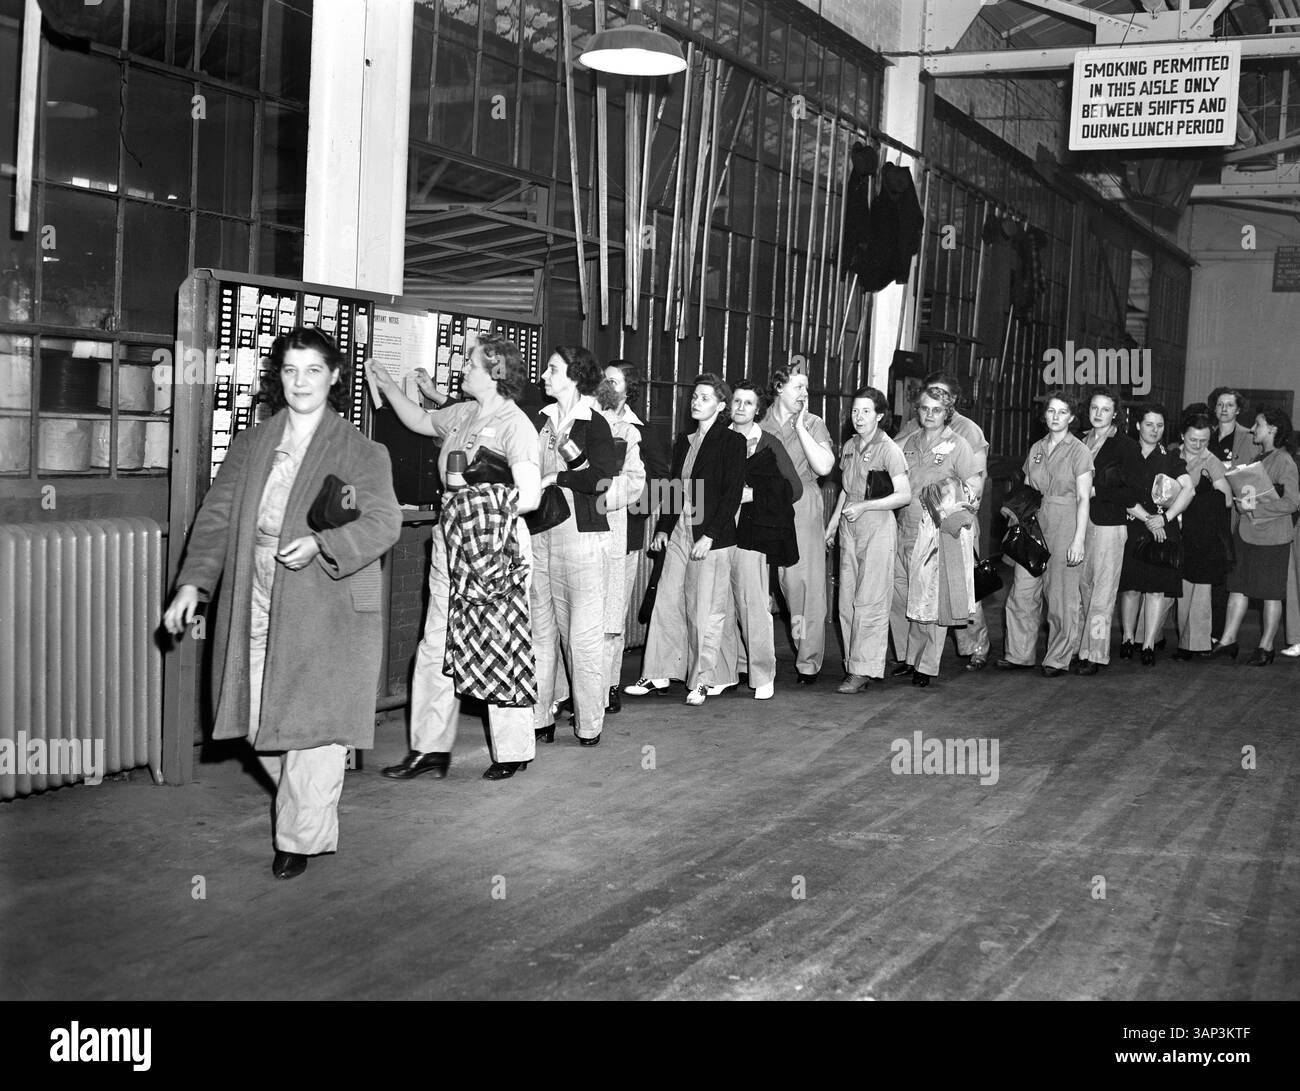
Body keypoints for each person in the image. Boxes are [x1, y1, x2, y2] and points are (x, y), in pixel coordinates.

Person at [163, 328, 402, 880]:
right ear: (280, 375)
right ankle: (305, 804)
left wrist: (325, 543)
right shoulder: (253, 444)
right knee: (255, 719)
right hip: (256, 592)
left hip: (326, 601)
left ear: (334, 377)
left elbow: (385, 520)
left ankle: (299, 835)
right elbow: (217, 518)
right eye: (291, 370)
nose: (301, 382)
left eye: (313, 370)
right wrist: (192, 585)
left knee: (312, 724)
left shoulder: (361, 450)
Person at [371, 335, 542, 782]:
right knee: (435, 644)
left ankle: (512, 750)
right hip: (451, 543)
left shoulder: (515, 425)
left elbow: (530, 496)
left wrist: (474, 497)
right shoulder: (462, 413)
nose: (462, 367)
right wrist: (388, 384)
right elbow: (419, 421)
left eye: (470, 362)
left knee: (498, 644)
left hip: (493, 546)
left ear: (496, 371)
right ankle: (430, 748)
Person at [625, 373, 745, 705]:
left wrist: (711, 534)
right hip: (680, 528)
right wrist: (663, 528)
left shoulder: (732, 442)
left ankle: (704, 680)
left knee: (705, 609)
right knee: (666, 598)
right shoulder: (684, 441)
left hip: (711, 533)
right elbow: (675, 490)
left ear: (721, 406)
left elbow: (732, 494)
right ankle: (659, 672)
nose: (696, 401)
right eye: (695, 396)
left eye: (705, 397)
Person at [530, 346, 619, 746]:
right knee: (539, 632)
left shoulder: (594, 424)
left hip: (581, 537)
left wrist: (557, 478)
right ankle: (538, 718)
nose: (544, 376)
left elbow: (601, 482)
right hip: (539, 534)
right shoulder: (542, 421)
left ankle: (588, 725)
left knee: (581, 639)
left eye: (552, 369)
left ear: (575, 376)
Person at [895, 372, 992, 670]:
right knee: (906, 593)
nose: (931, 410)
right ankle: (908, 658)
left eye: (940, 400)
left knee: (956, 592)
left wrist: (958, 518)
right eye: (927, 402)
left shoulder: (966, 433)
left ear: (951, 403)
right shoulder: (911, 431)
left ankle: (973, 646)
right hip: (909, 524)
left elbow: (976, 481)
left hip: (945, 526)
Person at [715, 380, 803, 701]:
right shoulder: (717, 439)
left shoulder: (769, 443)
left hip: (752, 530)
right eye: (736, 401)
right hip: (717, 529)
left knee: (753, 603)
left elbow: (793, 489)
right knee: (719, 603)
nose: (740, 408)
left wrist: (755, 495)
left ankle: (763, 673)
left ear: (758, 409)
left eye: (748, 403)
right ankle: (725, 672)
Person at [997, 391, 1093, 677]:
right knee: (1022, 591)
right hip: (1033, 521)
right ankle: (1019, 654)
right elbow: (1027, 486)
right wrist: (1016, 519)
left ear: (1072, 418)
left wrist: (1078, 540)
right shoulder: (1036, 448)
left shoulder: (1079, 451)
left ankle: (1057, 658)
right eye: (1051, 411)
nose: (1055, 417)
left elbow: (1083, 498)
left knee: (1061, 595)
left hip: (1065, 521)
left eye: (1062, 412)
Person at [825, 386, 910, 693]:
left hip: (876, 526)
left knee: (870, 600)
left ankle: (863, 670)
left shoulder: (889, 449)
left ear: (880, 416)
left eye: (866, 412)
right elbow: (847, 490)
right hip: (850, 526)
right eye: (855, 411)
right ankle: (854, 662)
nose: (858, 417)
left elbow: (904, 494)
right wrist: (833, 525)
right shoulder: (848, 446)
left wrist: (865, 506)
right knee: (846, 600)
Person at [760, 368, 836, 684]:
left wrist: (802, 427)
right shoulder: (758, 423)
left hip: (801, 505)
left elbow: (823, 465)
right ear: (778, 387)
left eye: (807, 387)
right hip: (762, 505)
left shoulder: (814, 423)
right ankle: (751, 661)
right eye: (798, 386)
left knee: (802, 588)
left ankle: (808, 662)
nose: (804, 392)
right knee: (755, 585)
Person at [1211, 407, 1300, 665]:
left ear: (1272, 429)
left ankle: (1266, 646)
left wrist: (1255, 507)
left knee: (1271, 594)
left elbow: (1293, 502)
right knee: (1238, 588)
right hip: (1248, 534)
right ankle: (1227, 640)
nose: (1252, 429)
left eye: (1258, 424)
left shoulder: (1284, 461)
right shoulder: (1262, 456)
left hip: (1273, 539)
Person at [1116, 403, 1194, 666]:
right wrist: (1151, 520)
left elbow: (1189, 489)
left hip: (1163, 529)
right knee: (1130, 588)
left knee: (1157, 590)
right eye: (1149, 424)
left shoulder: (1171, 457)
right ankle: (1127, 638)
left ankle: (1148, 643)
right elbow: (1120, 492)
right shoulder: (1125, 452)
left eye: (1159, 425)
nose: (1154, 430)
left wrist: (1164, 518)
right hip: (1134, 525)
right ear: (1138, 425)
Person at [1073, 389, 1143, 674]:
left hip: (1109, 525)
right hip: (1080, 523)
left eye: (1105, 409)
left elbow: (1134, 490)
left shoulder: (1126, 446)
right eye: (1094, 407)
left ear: (1116, 413)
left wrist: (1096, 490)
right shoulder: (1080, 441)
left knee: (1102, 594)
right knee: (1082, 591)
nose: (1098, 413)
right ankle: (1079, 648)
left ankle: (1096, 653)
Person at [594, 364, 646, 712]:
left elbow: (653, 486)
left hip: (624, 530)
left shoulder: (637, 431)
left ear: (628, 390)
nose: (605, 384)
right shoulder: (585, 417)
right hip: (587, 529)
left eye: (613, 380)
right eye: (603, 378)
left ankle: (610, 685)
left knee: (613, 616)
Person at [1174, 407, 1233, 658]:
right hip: (1173, 530)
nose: (1198, 445)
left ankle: (1194, 645)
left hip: (1201, 537)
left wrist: (1198, 498)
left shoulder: (1212, 462)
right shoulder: (1170, 455)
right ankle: (1152, 640)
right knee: (1175, 591)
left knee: (1198, 592)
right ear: (1182, 436)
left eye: (1204, 441)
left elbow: (1227, 500)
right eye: (1192, 440)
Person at [1206, 387, 1254, 643]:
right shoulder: (1206, 435)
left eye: (1229, 405)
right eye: (1220, 404)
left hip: (1234, 517)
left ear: (1238, 409)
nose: (1224, 409)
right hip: (1206, 513)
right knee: (1208, 571)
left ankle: (1221, 635)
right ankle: (1205, 631)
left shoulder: (1249, 438)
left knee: (1228, 574)